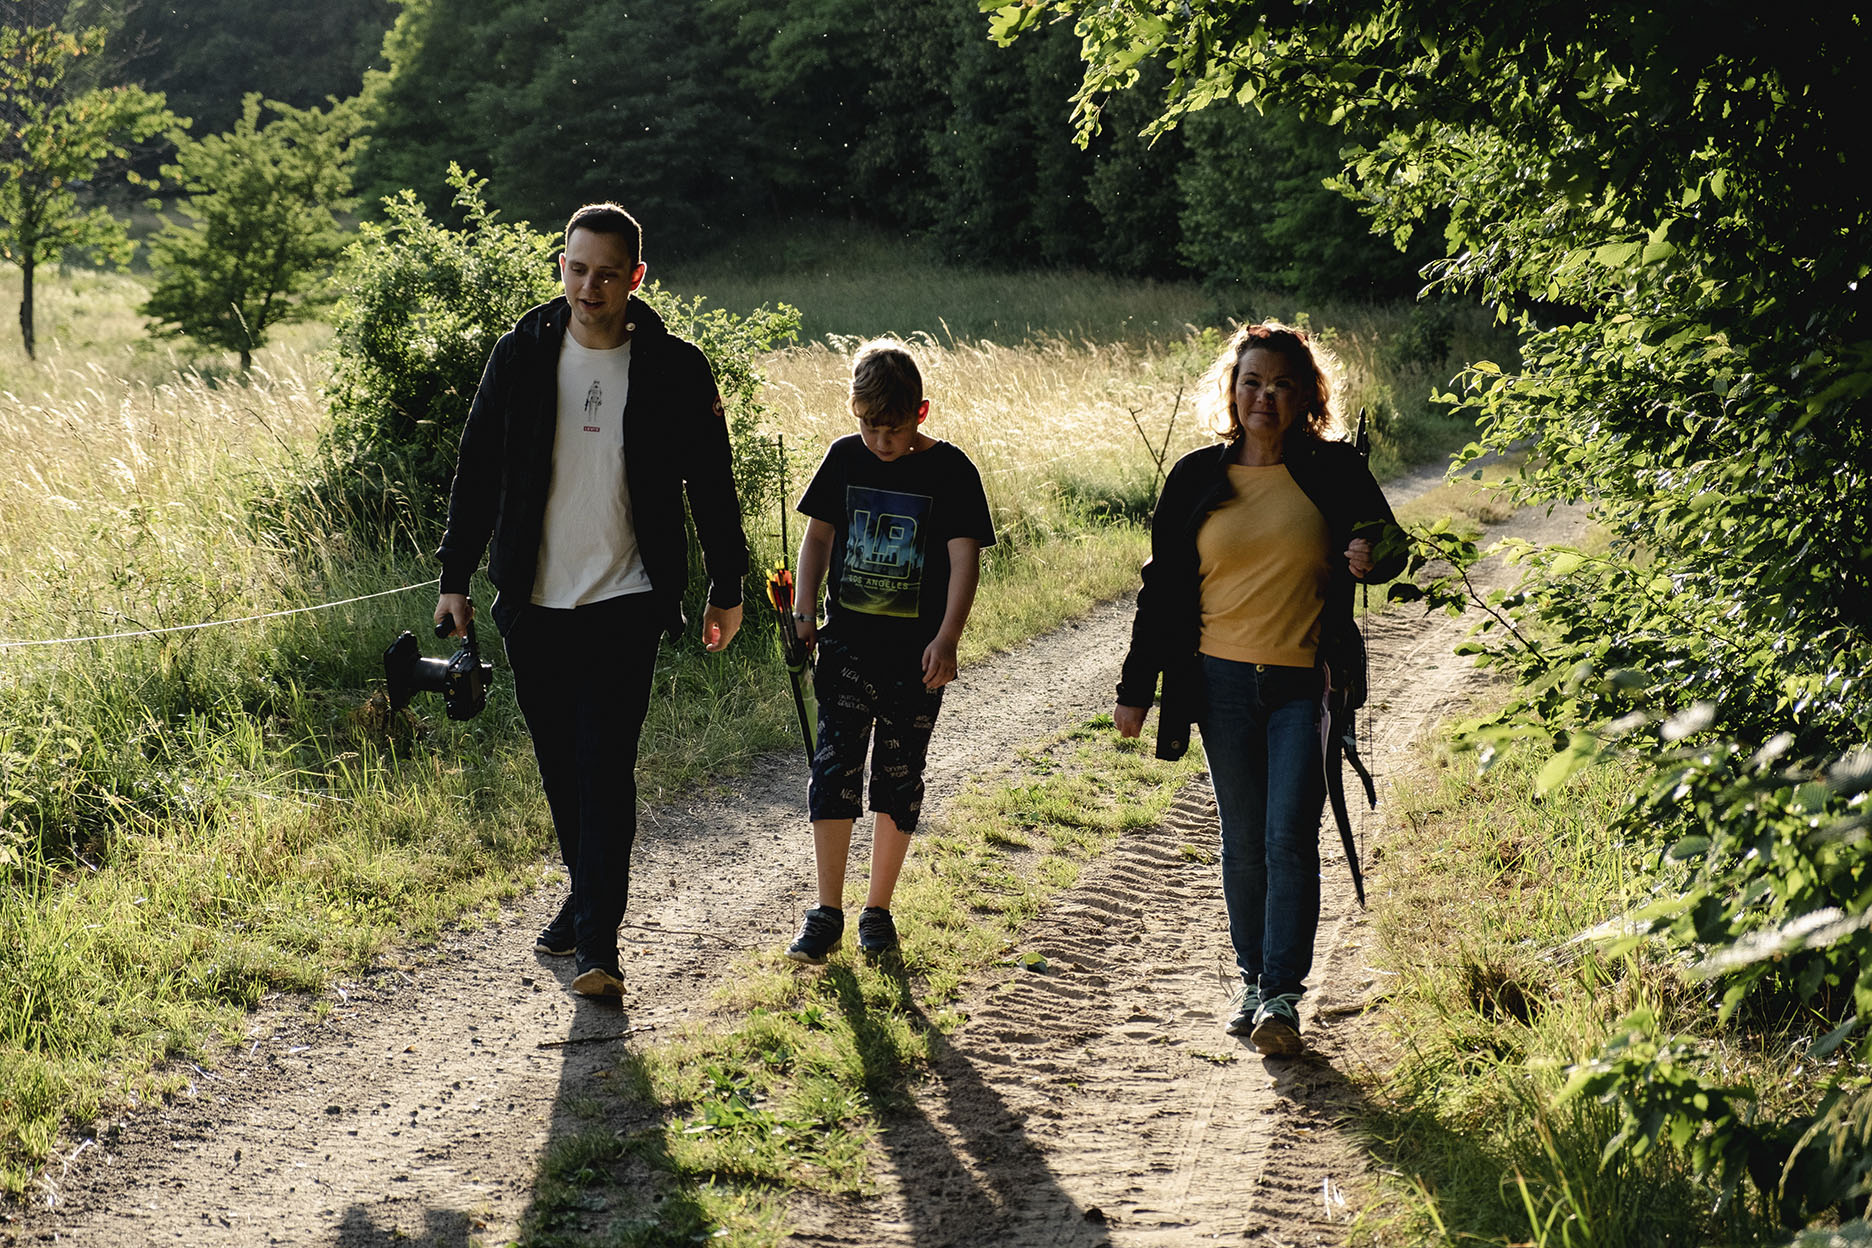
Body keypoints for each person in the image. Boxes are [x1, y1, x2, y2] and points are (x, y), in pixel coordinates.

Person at [434, 203, 748, 998]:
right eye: (577, 268)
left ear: (636, 278)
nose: (589, 286)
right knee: (560, 769)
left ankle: (599, 947)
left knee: (604, 766)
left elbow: (712, 483)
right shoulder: (522, 355)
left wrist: (726, 585)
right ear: (561, 266)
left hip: (627, 599)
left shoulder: (676, 368)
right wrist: (455, 578)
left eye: (608, 272)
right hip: (532, 601)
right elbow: (477, 470)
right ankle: (586, 900)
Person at [1113, 322, 1404, 1055]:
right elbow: (1162, 590)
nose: (1262, 396)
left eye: (1279, 384)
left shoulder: (1334, 473)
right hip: (1219, 684)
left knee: (1288, 837)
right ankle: (1252, 980)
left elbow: (1393, 543)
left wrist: (1372, 555)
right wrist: (1136, 686)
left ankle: (1281, 994)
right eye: (1250, 382)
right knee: (1242, 842)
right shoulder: (1194, 477)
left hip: (1307, 683)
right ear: (1231, 389)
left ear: (1305, 394)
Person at [781, 338, 996, 963]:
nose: (880, 441)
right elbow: (817, 537)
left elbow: (964, 559)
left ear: (920, 414)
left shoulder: (951, 471)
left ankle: (878, 910)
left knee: (899, 778)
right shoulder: (844, 458)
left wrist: (948, 637)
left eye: (893, 429)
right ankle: (825, 912)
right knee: (833, 771)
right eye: (869, 426)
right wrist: (803, 611)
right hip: (845, 645)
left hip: (916, 656)